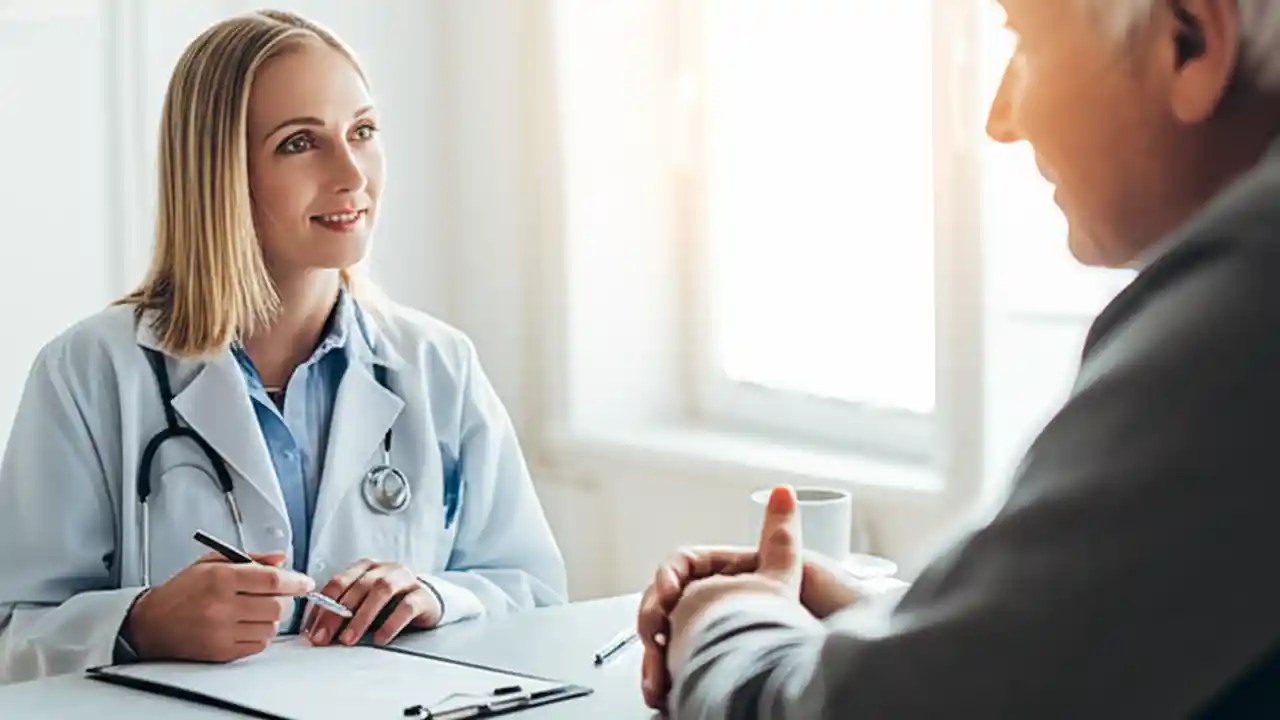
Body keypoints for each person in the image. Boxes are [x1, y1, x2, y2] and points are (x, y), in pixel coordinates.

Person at [639, 0, 1280, 716]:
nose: (1000, 119)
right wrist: (907, 620)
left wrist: (726, 624)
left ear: (1190, 41)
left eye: (1025, 45)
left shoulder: (1244, 321)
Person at [0, 10, 565, 684]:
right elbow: (13, 630)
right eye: (301, 143)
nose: (352, 173)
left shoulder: (437, 365)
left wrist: (440, 597)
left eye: (362, 131)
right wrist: (141, 622)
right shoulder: (90, 372)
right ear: (220, 173)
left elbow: (534, 593)